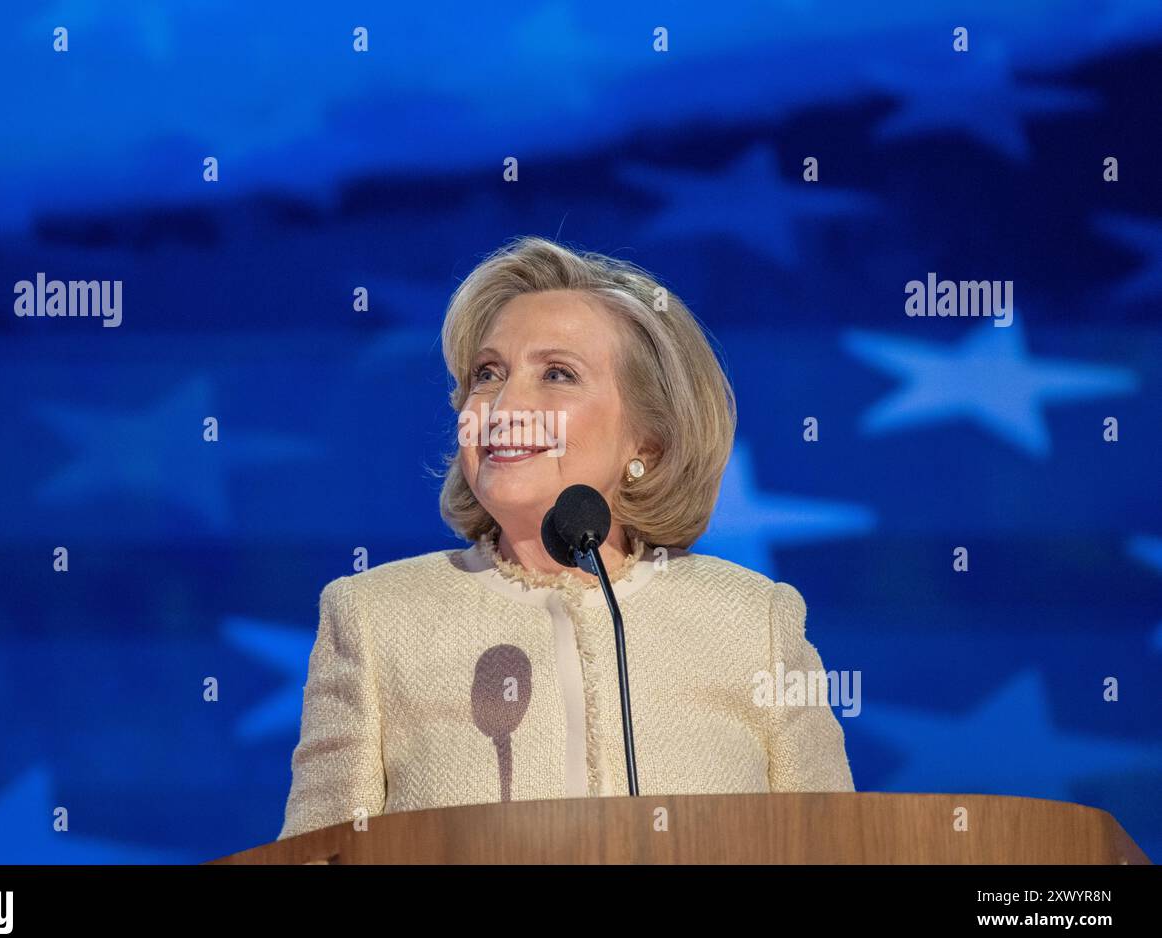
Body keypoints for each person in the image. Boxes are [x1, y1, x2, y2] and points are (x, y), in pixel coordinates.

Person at [278, 236, 854, 840]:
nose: (503, 405)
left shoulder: (752, 623)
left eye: (557, 373)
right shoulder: (376, 619)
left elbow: (838, 848)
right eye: (487, 374)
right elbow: (318, 856)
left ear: (646, 441)